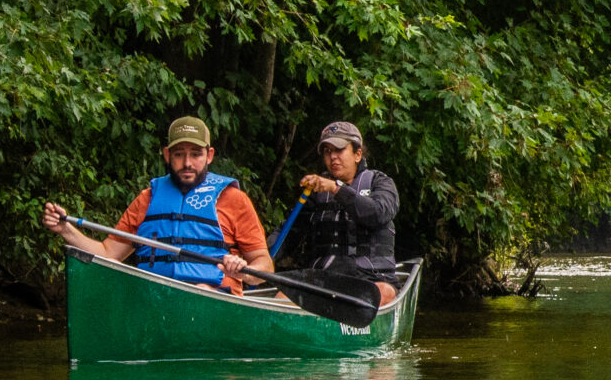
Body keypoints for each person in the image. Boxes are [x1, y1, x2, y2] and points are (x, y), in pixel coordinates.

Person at [42, 116, 274, 291]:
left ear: (209, 155)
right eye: (178, 154)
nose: (187, 163)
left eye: (196, 154)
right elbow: (107, 253)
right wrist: (65, 230)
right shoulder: (148, 199)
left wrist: (244, 271)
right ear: (166, 155)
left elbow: (265, 265)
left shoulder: (234, 200)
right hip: (156, 297)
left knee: (201, 289)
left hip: (215, 298)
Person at [292, 121, 401, 308]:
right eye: (327, 151)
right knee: (282, 298)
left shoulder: (381, 183)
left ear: (358, 154)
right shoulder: (315, 191)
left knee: (381, 295)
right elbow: (291, 232)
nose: (333, 157)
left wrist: (336, 189)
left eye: (339, 150)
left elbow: (377, 214)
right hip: (324, 279)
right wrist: (261, 258)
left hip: (373, 279)